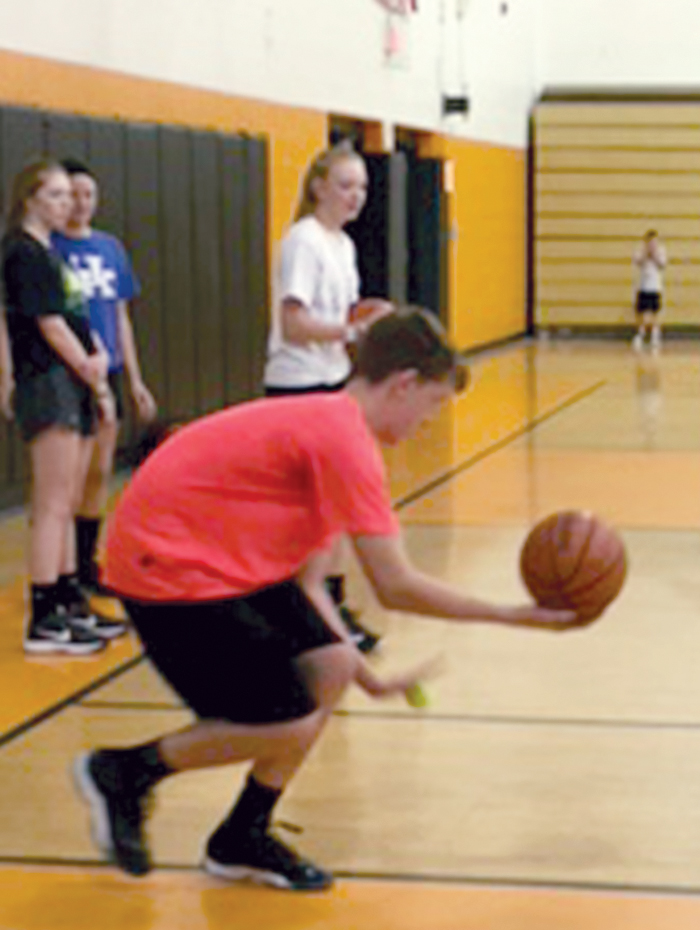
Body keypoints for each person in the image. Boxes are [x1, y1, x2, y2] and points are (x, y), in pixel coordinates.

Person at [73, 308, 578, 891]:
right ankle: (122, 772)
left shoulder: (334, 426)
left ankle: (243, 835)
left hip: (219, 560)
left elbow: (312, 582)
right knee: (286, 722)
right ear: (403, 384)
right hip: (165, 568)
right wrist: (517, 615)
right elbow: (395, 585)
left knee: (331, 666)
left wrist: (365, 674)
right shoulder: (343, 440)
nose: (430, 421)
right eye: (433, 404)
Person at [264, 141, 393, 653]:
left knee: (332, 504)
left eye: (362, 187)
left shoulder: (343, 244)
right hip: (299, 384)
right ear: (319, 187)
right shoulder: (304, 241)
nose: (355, 195)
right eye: (345, 185)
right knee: (309, 508)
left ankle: (328, 604)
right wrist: (353, 331)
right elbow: (294, 325)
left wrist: (365, 319)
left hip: (332, 378)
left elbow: (340, 317)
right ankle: (303, 610)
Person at [0, 159, 116, 655]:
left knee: (67, 499)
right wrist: (88, 366)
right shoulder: (22, 252)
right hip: (48, 381)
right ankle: (44, 615)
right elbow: (49, 324)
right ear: (29, 199)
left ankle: (68, 600)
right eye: (54, 195)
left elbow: (75, 318)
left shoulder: (49, 252)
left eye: (69, 195)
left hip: (72, 380)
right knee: (51, 503)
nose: (66, 203)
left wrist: (96, 367)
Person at [52, 159, 157, 600]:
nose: (81, 203)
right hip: (69, 370)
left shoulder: (110, 248)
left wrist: (134, 379)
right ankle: (62, 572)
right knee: (69, 478)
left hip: (108, 371)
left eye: (88, 195)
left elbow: (121, 316)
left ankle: (87, 562)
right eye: (73, 194)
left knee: (99, 471)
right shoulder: (50, 248)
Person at [632, 230, 667, 352]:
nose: (652, 244)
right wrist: (646, 254)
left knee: (655, 313)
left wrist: (654, 255)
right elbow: (637, 262)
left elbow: (662, 264)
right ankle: (640, 334)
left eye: (654, 242)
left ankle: (655, 336)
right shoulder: (640, 252)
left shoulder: (661, 252)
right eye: (650, 242)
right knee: (641, 313)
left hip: (655, 287)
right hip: (643, 287)